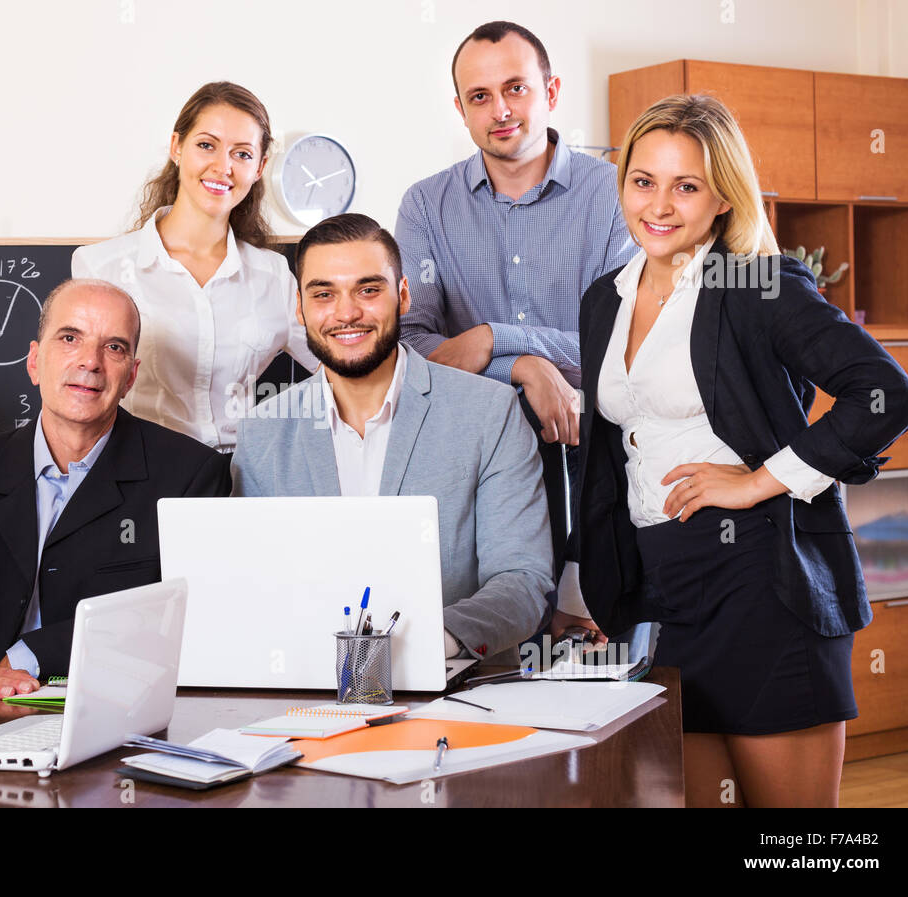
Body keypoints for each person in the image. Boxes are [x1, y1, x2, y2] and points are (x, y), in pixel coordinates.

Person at [573, 94, 908, 807]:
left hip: (762, 579)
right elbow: (611, 458)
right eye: (644, 181)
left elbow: (886, 394)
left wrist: (762, 479)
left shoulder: (755, 283)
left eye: (686, 185)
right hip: (660, 591)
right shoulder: (604, 299)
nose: (660, 205)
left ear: (724, 196)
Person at [394, 20, 636, 638]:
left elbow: (627, 340)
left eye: (516, 89)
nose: (500, 110)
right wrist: (523, 365)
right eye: (479, 97)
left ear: (551, 91)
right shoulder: (425, 206)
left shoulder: (615, 195)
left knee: (606, 671)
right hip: (474, 469)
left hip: (603, 463)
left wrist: (492, 339)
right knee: (493, 661)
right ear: (460, 109)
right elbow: (414, 352)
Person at [0, 279, 232, 724]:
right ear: (35, 362)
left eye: (113, 347)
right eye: (70, 338)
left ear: (131, 376)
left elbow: (166, 621)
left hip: (119, 721)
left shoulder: (191, 474)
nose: (90, 362)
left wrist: (28, 658)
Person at [233, 214, 553, 663]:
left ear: (402, 296)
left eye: (368, 290)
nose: (347, 313)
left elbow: (523, 579)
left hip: (457, 692)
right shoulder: (261, 433)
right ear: (300, 310)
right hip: (308, 692)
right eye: (324, 294)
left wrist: (424, 646)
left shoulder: (489, 412)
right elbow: (253, 585)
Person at [71, 81, 318, 451]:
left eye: (242, 154)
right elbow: (81, 391)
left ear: (260, 167)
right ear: (177, 148)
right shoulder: (101, 267)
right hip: (142, 475)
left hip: (239, 481)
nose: (223, 167)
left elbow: (342, 365)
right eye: (207, 145)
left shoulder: (273, 277)